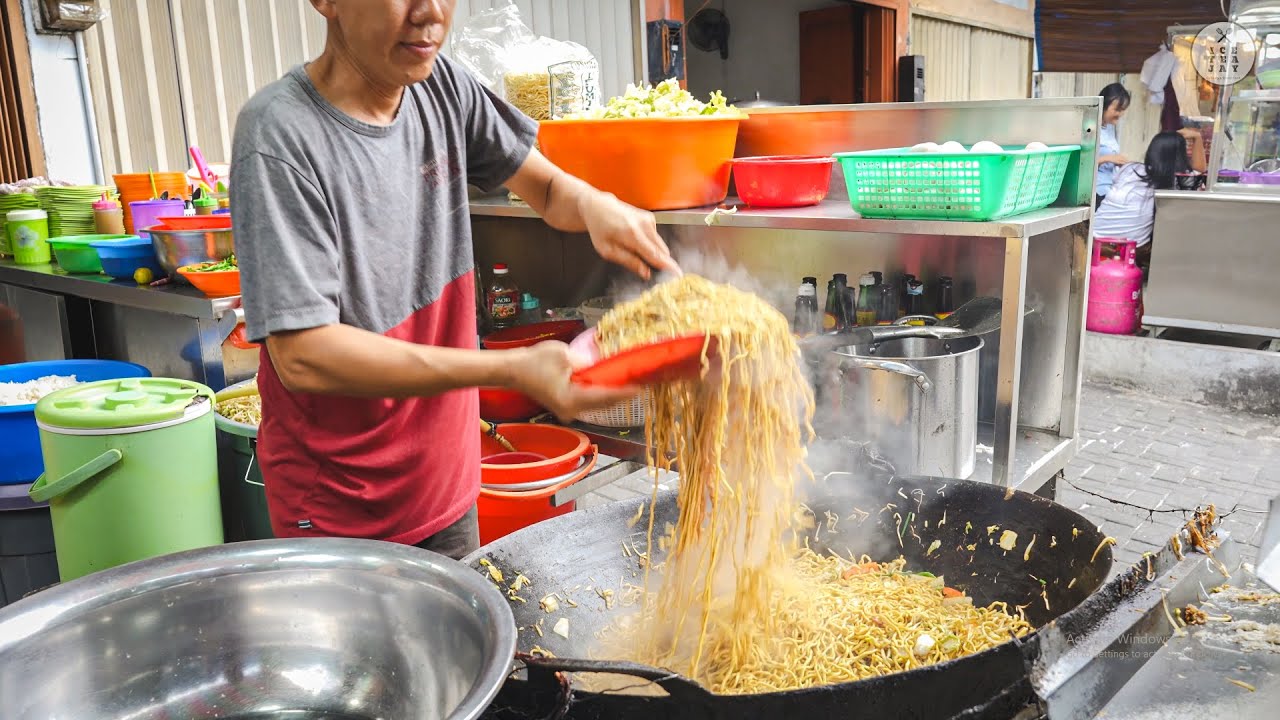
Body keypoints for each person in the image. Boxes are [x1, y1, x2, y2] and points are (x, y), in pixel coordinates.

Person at [230, 0, 679, 560]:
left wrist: (594, 204)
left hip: (448, 479)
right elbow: (304, 355)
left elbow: (545, 190)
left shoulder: (439, 84)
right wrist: (513, 369)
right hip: (341, 509)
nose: (431, 13)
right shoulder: (280, 137)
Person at [1093, 129, 1206, 265]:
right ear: (1180, 156)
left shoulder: (1129, 169)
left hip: (1094, 240)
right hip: (1132, 249)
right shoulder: (1178, 181)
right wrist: (1197, 137)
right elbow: (1200, 170)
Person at [1095, 83, 1132, 208]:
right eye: (1117, 109)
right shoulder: (1090, 129)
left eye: (1123, 110)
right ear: (1104, 105)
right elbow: (1081, 163)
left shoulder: (1109, 127)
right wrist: (1108, 158)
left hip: (1109, 190)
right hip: (1095, 192)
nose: (1120, 114)